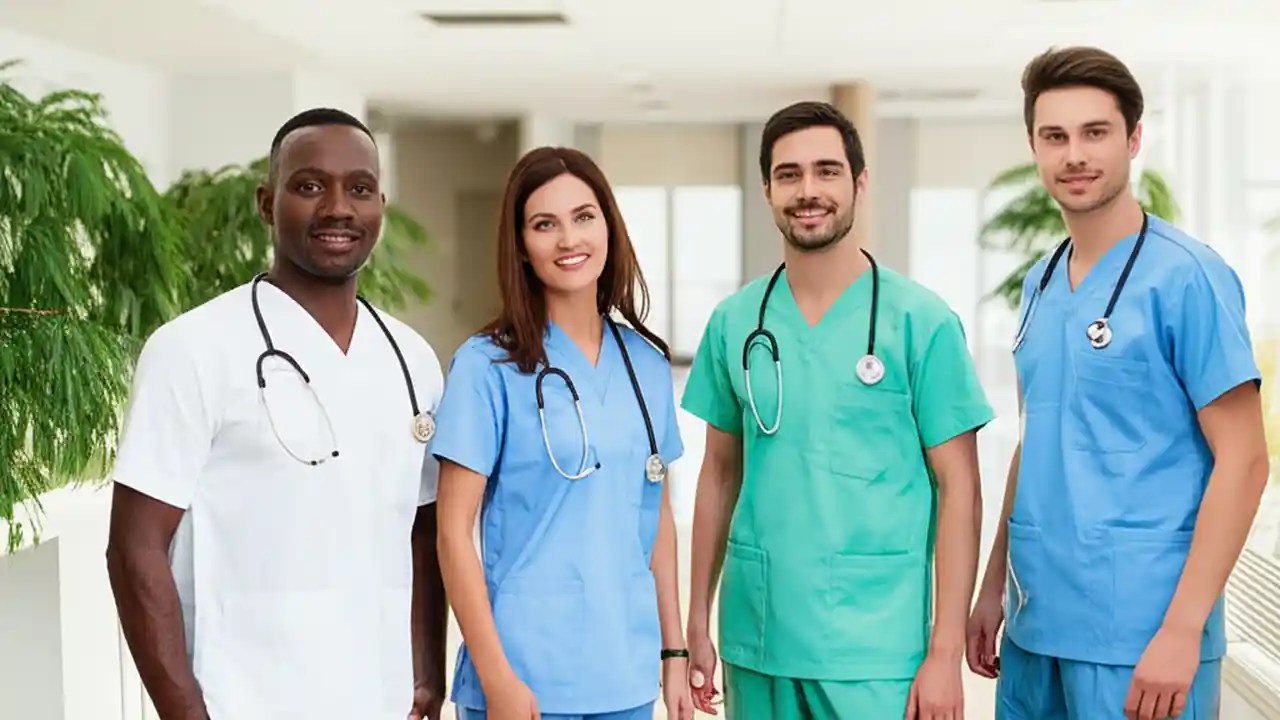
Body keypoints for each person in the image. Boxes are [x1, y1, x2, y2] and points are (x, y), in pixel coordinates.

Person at [104, 107, 449, 720]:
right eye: (309, 186)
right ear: (267, 203)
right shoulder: (193, 348)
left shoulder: (410, 358)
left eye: (360, 189)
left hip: (378, 700)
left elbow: (423, 531)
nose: (339, 207)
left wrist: (425, 677)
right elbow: (134, 550)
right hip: (242, 700)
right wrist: (184, 712)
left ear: (380, 206)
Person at [965, 46, 1270, 720]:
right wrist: (993, 588)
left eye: (1095, 132)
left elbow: (1245, 461)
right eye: (1056, 136)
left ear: (1133, 140)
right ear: (1035, 148)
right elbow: (1037, 440)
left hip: (1142, 632)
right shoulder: (1042, 284)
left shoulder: (1188, 277)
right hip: (1036, 622)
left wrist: (1184, 628)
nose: (1075, 154)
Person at [679, 100, 994, 720]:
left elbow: (960, 487)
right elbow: (718, 473)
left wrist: (944, 651)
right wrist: (698, 614)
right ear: (766, 189)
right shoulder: (735, 322)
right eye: (789, 174)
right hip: (760, 634)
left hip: (877, 649)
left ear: (859, 183)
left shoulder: (920, 323)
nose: (809, 191)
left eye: (827, 171)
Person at [431, 146, 695, 720]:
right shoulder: (486, 367)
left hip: (624, 675)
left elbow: (658, 519)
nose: (568, 239)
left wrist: (674, 650)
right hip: (521, 680)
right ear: (521, 247)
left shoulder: (645, 364)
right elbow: (453, 534)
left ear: (609, 226)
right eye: (544, 224)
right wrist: (497, 679)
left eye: (583, 216)